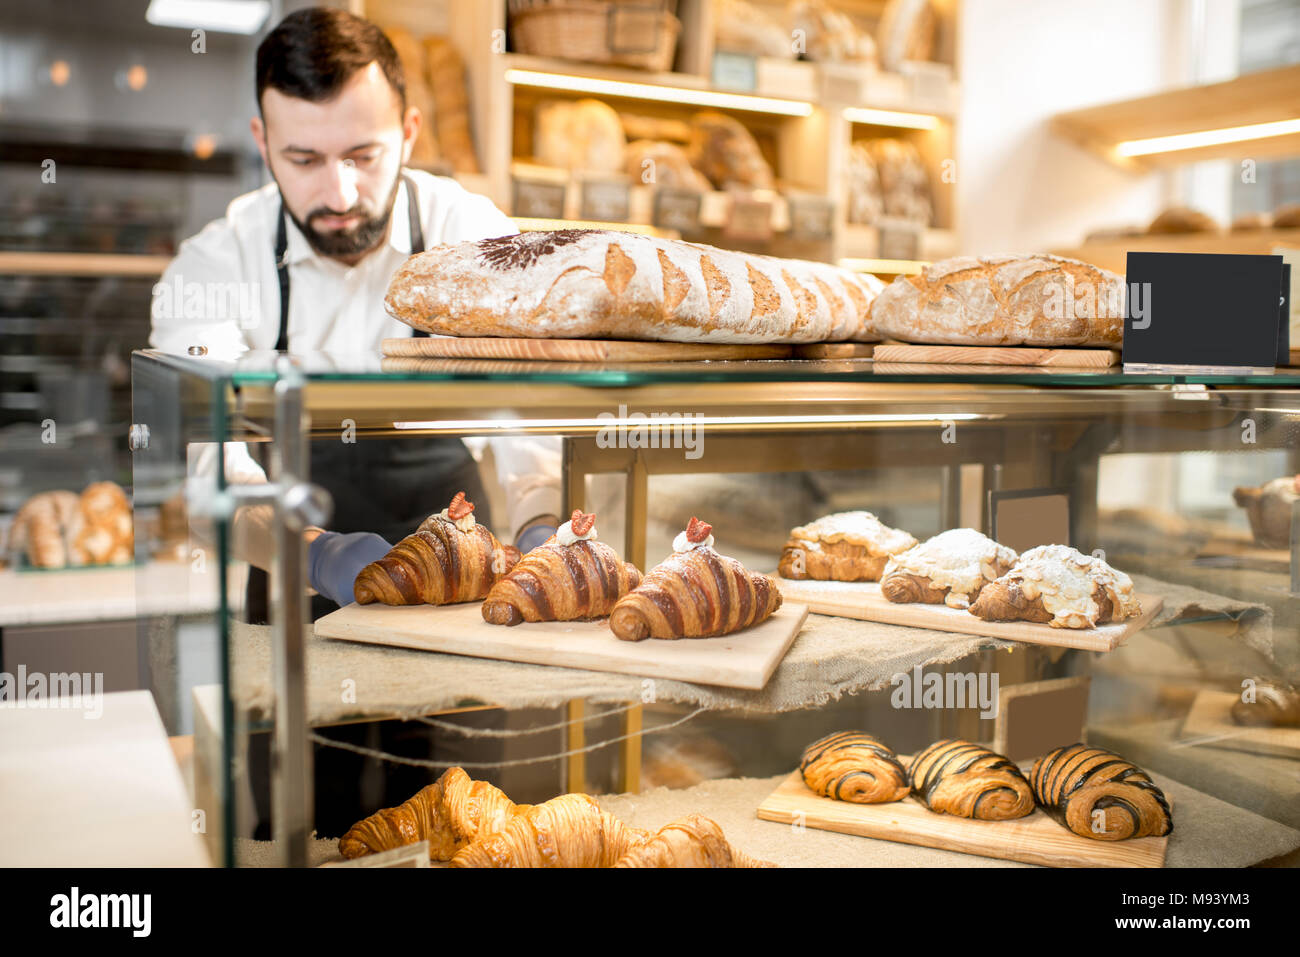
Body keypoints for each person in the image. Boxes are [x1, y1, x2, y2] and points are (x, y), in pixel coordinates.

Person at [149, 7, 560, 837]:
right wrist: (320, 555)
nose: (338, 194)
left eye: (363, 155)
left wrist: (544, 533)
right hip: (296, 584)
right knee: (308, 823)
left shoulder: (472, 235)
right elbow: (210, 465)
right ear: (262, 142)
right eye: (303, 158)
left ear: (409, 131)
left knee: (463, 814)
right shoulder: (214, 265)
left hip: (465, 579)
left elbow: (528, 417)